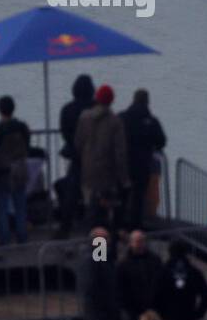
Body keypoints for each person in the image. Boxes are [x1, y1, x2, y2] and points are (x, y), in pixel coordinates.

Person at [72, 84, 130, 230]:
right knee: (105, 216)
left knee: (91, 210)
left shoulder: (84, 117)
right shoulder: (115, 122)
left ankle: (95, 248)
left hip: (88, 173)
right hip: (107, 176)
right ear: (111, 101)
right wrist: (124, 180)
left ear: (96, 98)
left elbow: (78, 144)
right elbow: (120, 154)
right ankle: (103, 250)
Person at [154, 239, 207, 320]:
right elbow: (206, 295)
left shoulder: (162, 272)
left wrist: (160, 314)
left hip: (168, 319)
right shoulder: (193, 272)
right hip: (186, 318)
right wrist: (198, 314)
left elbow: (154, 296)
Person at [119, 89, 166, 230]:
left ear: (133, 100)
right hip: (143, 164)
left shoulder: (122, 117)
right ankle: (136, 227)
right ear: (147, 101)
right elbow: (162, 141)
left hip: (124, 163)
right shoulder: (151, 121)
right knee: (138, 197)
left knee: (123, 195)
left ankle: (120, 226)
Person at [56, 74, 96, 237]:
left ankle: (65, 229)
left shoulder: (67, 109)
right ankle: (97, 244)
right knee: (94, 196)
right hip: (95, 158)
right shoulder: (97, 109)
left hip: (76, 156)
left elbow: (64, 132)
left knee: (71, 193)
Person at [0, 95, 32, 245]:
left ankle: (5, 238)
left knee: (2, 206)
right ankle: (22, 236)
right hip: (20, 168)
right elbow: (28, 145)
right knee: (20, 205)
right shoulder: (22, 127)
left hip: (3, 171)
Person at [78, 226, 122, 320]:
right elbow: (92, 286)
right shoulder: (92, 259)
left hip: (107, 315)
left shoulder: (103, 257)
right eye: (104, 239)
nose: (108, 241)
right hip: (99, 316)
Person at [117, 230, 164, 320]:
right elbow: (120, 287)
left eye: (142, 241)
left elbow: (161, 280)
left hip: (154, 307)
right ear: (131, 243)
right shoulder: (123, 263)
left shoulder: (155, 260)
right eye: (137, 241)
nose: (140, 244)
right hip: (133, 309)